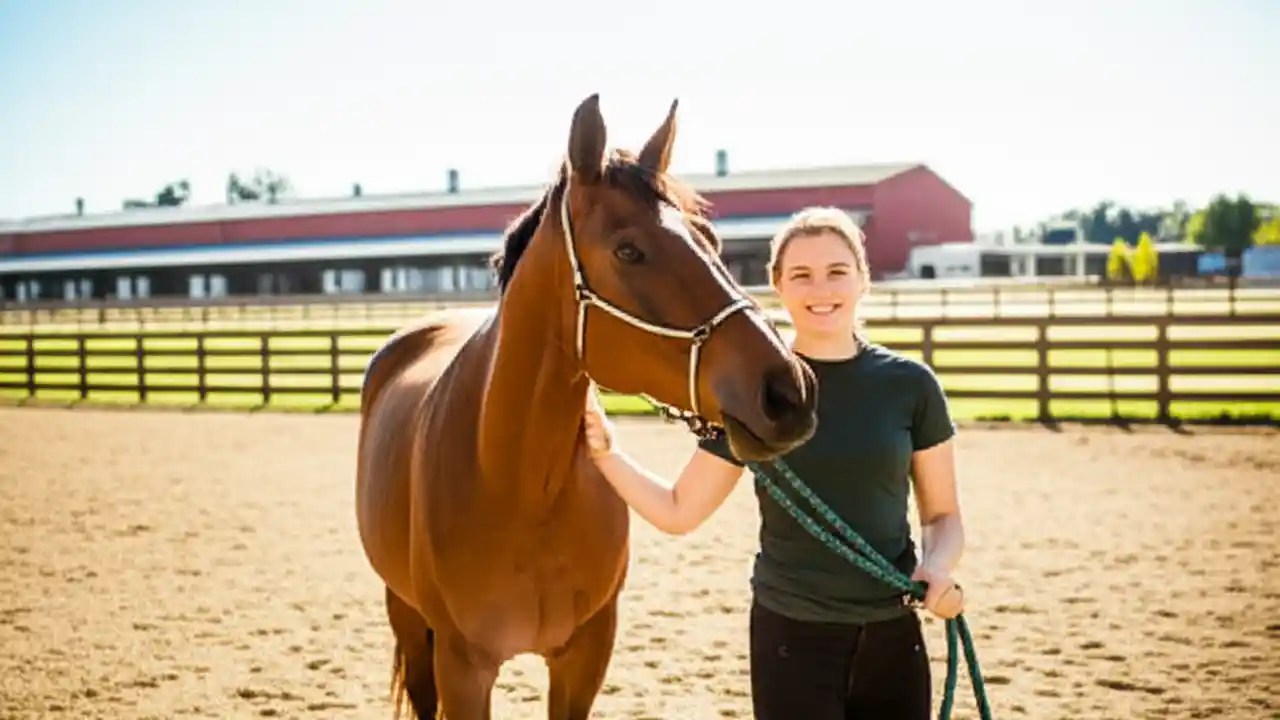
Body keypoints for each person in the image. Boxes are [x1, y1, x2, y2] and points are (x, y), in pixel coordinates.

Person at [581, 206, 967, 719]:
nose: (820, 289)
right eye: (801, 275)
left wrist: (937, 568)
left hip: (893, 634)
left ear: (862, 280)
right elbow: (679, 510)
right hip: (792, 637)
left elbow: (944, 517)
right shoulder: (757, 392)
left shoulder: (910, 386)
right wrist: (608, 454)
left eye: (836, 272)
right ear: (777, 286)